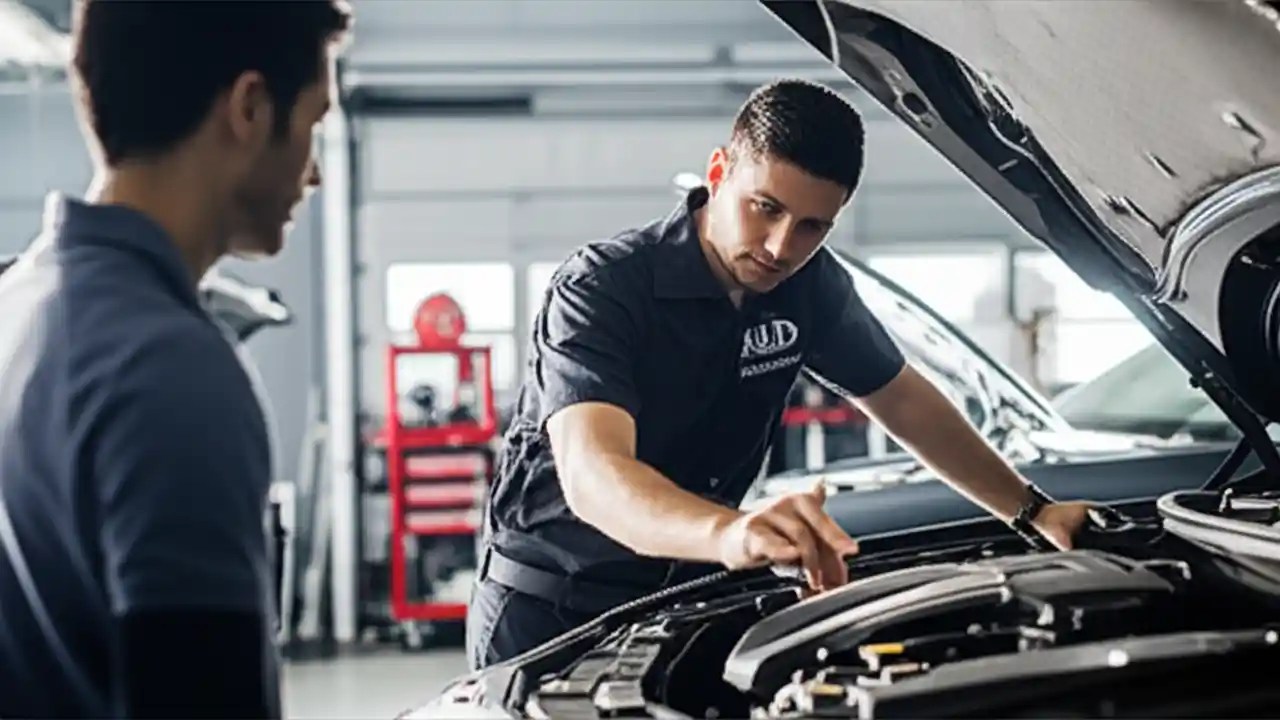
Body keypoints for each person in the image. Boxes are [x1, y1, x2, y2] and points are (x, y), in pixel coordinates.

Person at [467, 78, 1095, 670]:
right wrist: (730, 532)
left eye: (813, 226)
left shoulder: (810, 287)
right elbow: (594, 476)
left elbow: (902, 400)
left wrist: (1033, 511)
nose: (779, 247)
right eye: (764, 208)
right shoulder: (603, 288)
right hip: (550, 611)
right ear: (719, 173)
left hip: (682, 604)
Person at [0, 1, 351, 717]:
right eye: (313, 123)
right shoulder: (168, 368)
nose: (312, 174)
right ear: (250, 108)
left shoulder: (20, 301)